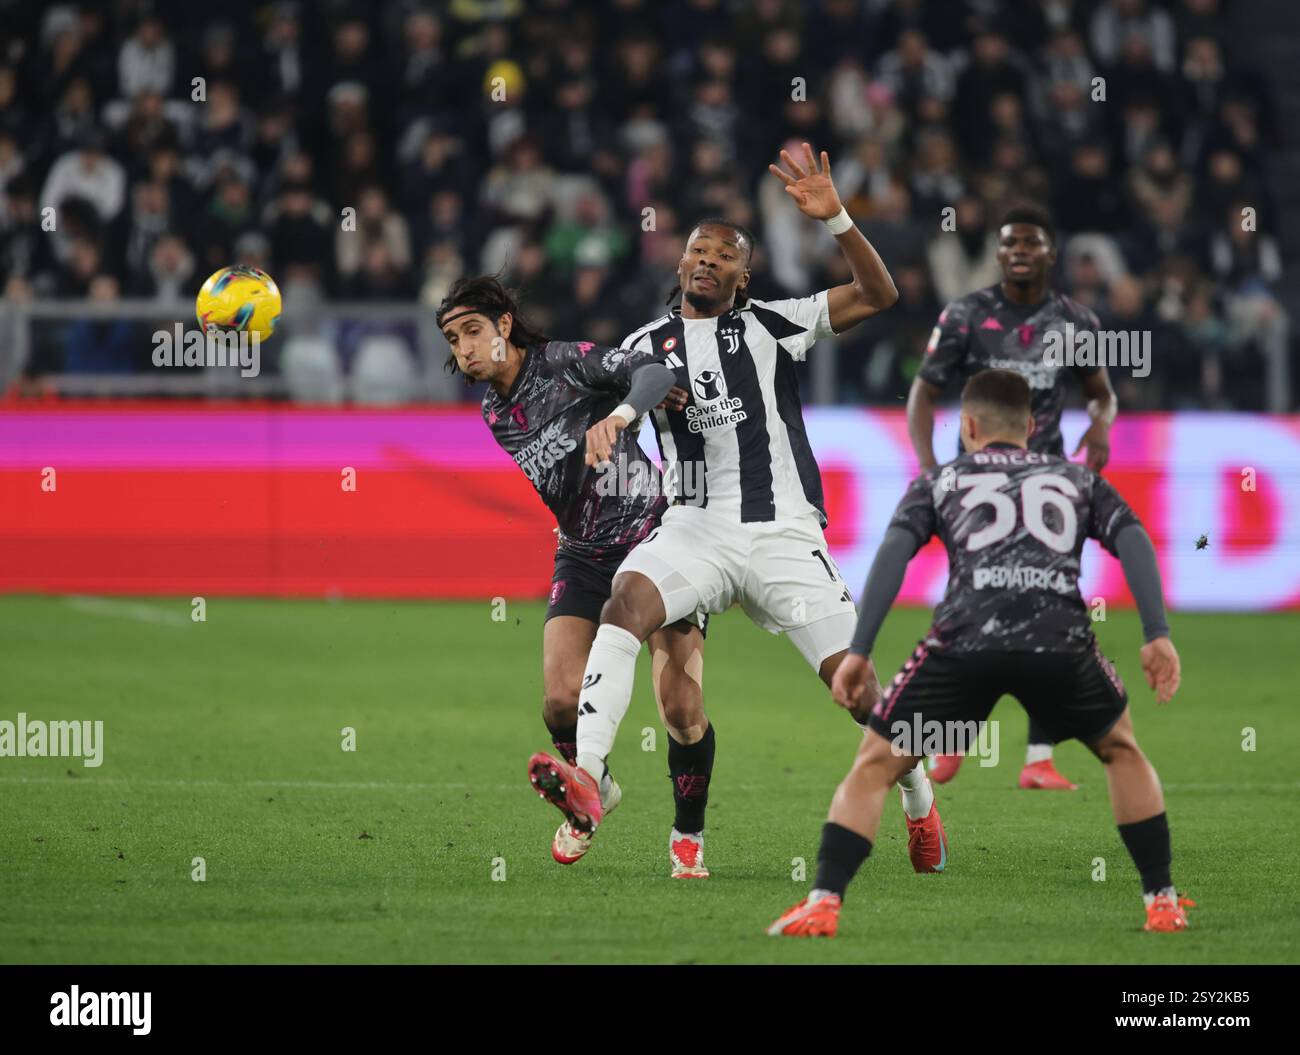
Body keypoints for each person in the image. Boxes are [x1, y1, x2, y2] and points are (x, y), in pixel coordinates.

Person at [526, 144, 948, 877]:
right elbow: (609, 386)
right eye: (698, 249)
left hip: (782, 528)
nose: (708, 261)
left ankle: (916, 799)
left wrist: (839, 218)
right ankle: (588, 776)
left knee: (856, 687)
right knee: (624, 604)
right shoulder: (641, 347)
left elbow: (879, 296)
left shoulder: (773, 325)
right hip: (694, 527)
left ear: (742, 277)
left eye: (725, 255)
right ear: (680, 261)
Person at [768, 369, 1191, 937]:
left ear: (968, 426)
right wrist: (1156, 632)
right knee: (1121, 750)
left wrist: (860, 650)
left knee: (875, 765)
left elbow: (896, 549)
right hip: (1058, 640)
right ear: (1033, 427)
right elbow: (1134, 537)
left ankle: (823, 901)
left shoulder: (943, 480)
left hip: (965, 643)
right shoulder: (1074, 478)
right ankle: (1161, 902)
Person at [437, 275, 713, 876]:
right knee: (559, 701)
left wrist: (620, 415)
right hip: (583, 554)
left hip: (656, 539)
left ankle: (687, 836)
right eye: (454, 339)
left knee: (681, 712)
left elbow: (656, 373)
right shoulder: (492, 411)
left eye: (473, 331)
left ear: (504, 325)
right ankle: (597, 791)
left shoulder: (565, 362)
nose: (464, 349)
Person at [906, 202, 1119, 789]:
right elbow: (922, 396)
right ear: (997, 254)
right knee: (968, 604)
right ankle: (953, 734)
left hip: (1049, 483)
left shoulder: (1076, 323)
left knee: (1050, 604)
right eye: (1008, 244)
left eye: (1030, 242)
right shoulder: (966, 315)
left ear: (1052, 252)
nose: (1018, 251)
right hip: (977, 484)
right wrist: (929, 470)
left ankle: (1037, 758)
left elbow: (1102, 393)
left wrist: (1100, 425)